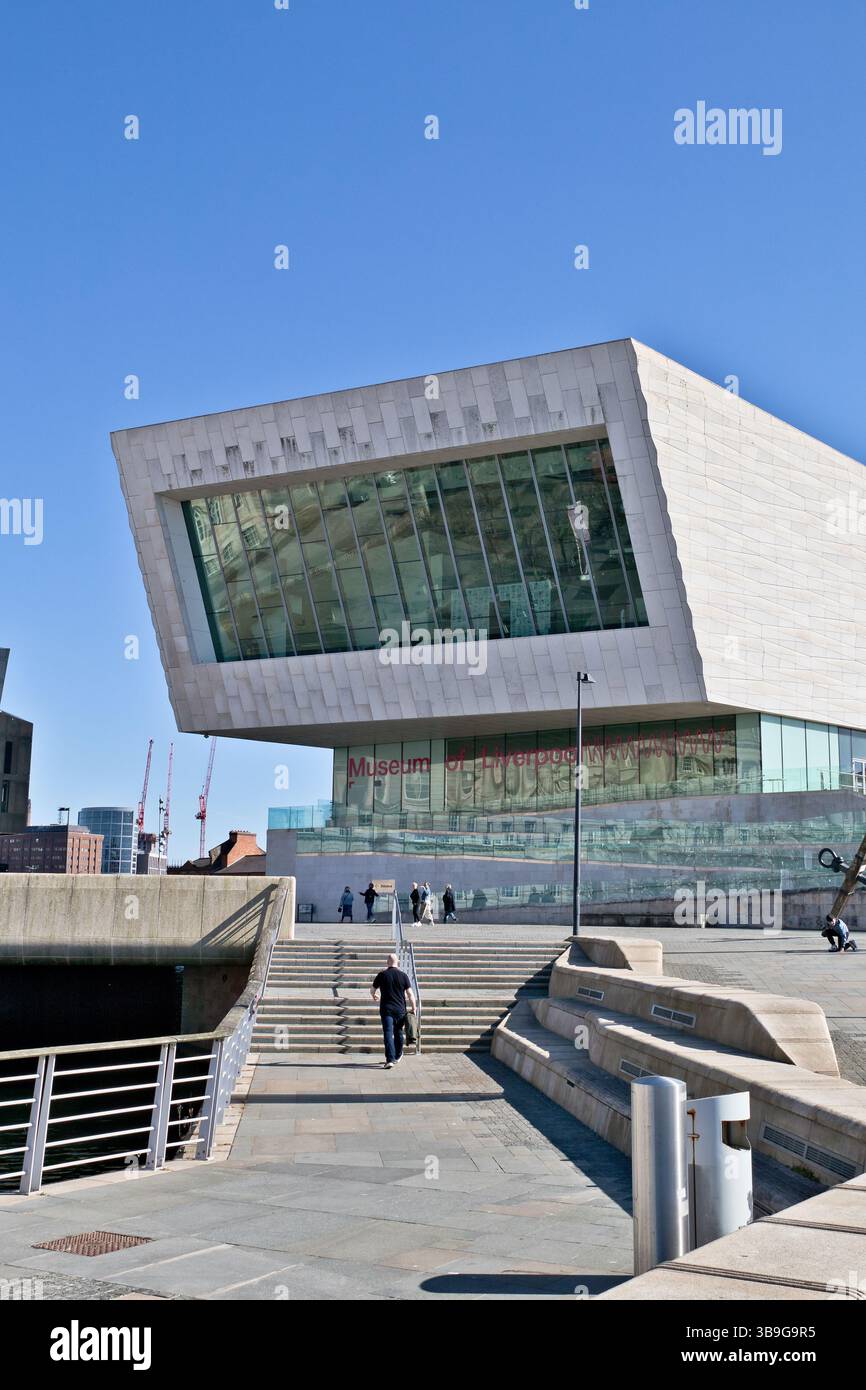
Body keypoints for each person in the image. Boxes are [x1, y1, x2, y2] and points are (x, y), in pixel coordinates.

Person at [370, 952, 416, 1069]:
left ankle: (390, 1059)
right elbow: (410, 994)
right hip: (400, 1009)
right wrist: (414, 1008)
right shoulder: (403, 975)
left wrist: (374, 995)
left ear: (387, 962)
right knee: (398, 1031)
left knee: (388, 1033)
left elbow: (372, 989)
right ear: (398, 962)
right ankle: (398, 1054)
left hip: (386, 1010)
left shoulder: (382, 975)